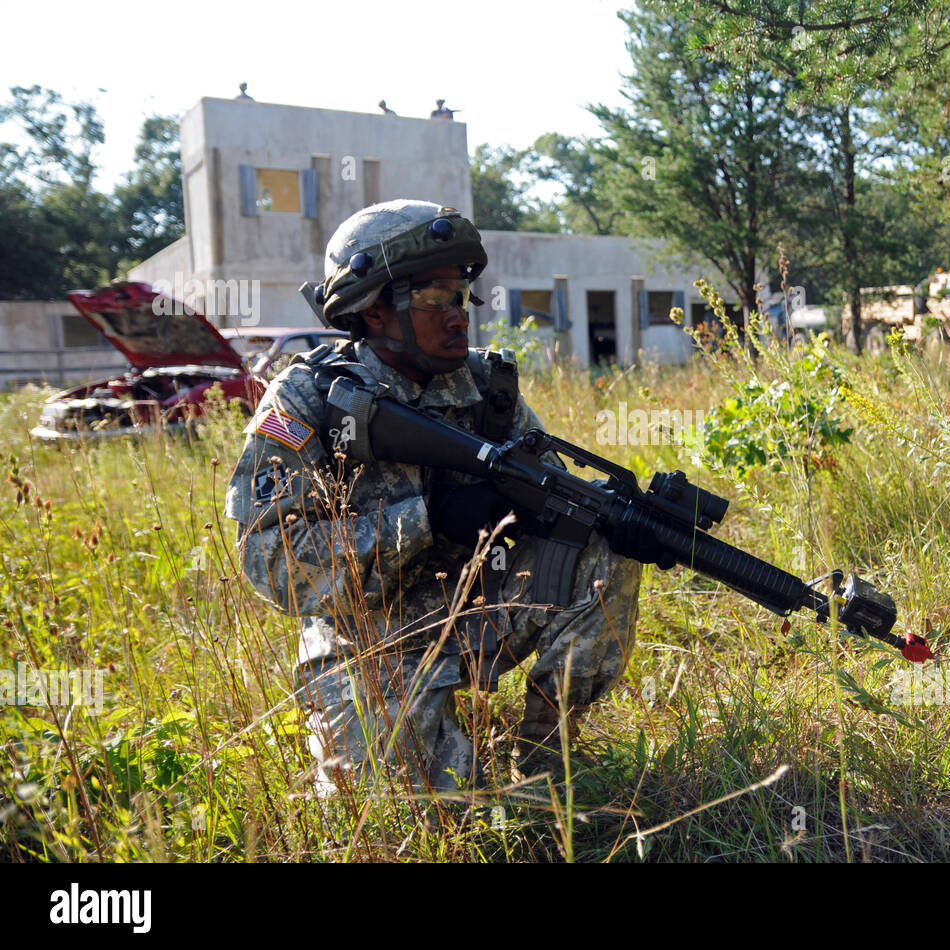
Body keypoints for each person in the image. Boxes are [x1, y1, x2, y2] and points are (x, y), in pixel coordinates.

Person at [225, 200, 643, 796]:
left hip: (477, 609)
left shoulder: (483, 388)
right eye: (432, 298)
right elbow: (269, 560)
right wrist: (426, 520)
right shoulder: (308, 402)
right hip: (366, 643)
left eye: (460, 295)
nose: (457, 316)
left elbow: (551, 486)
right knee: (419, 809)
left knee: (604, 541)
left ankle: (547, 762)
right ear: (371, 311)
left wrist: (564, 512)